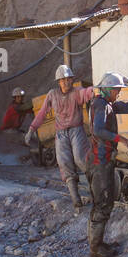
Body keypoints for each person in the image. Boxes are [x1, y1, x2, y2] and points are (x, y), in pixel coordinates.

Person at [85, 72, 128, 257]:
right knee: (102, 203)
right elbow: (97, 130)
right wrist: (120, 138)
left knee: (102, 203)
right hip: (99, 161)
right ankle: (95, 247)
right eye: (116, 91)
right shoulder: (100, 105)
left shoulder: (108, 104)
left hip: (102, 160)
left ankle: (96, 244)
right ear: (107, 89)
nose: (118, 94)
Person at [25, 65, 98, 214]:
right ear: (58, 81)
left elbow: (86, 93)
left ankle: (96, 193)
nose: (66, 82)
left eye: (68, 79)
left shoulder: (76, 92)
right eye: (63, 80)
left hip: (77, 130)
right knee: (64, 164)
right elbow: (42, 113)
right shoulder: (52, 94)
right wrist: (31, 129)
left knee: (81, 159)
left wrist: (94, 90)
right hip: (61, 134)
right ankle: (76, 201)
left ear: (72, 80)